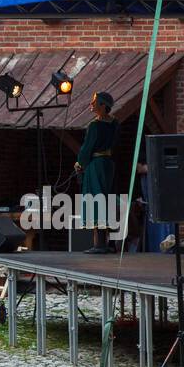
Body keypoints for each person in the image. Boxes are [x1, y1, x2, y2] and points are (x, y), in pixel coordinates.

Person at [74, 91, 120, 253]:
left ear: (103, 105)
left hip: (96, 166)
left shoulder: (95, 125)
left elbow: (87, 147)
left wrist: (80, 163)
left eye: (95, 102)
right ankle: (109, 243)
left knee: (95, 199)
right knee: (108, 199)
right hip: (108, 164)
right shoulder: (115, 123)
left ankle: (100, 244)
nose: (91, 104)